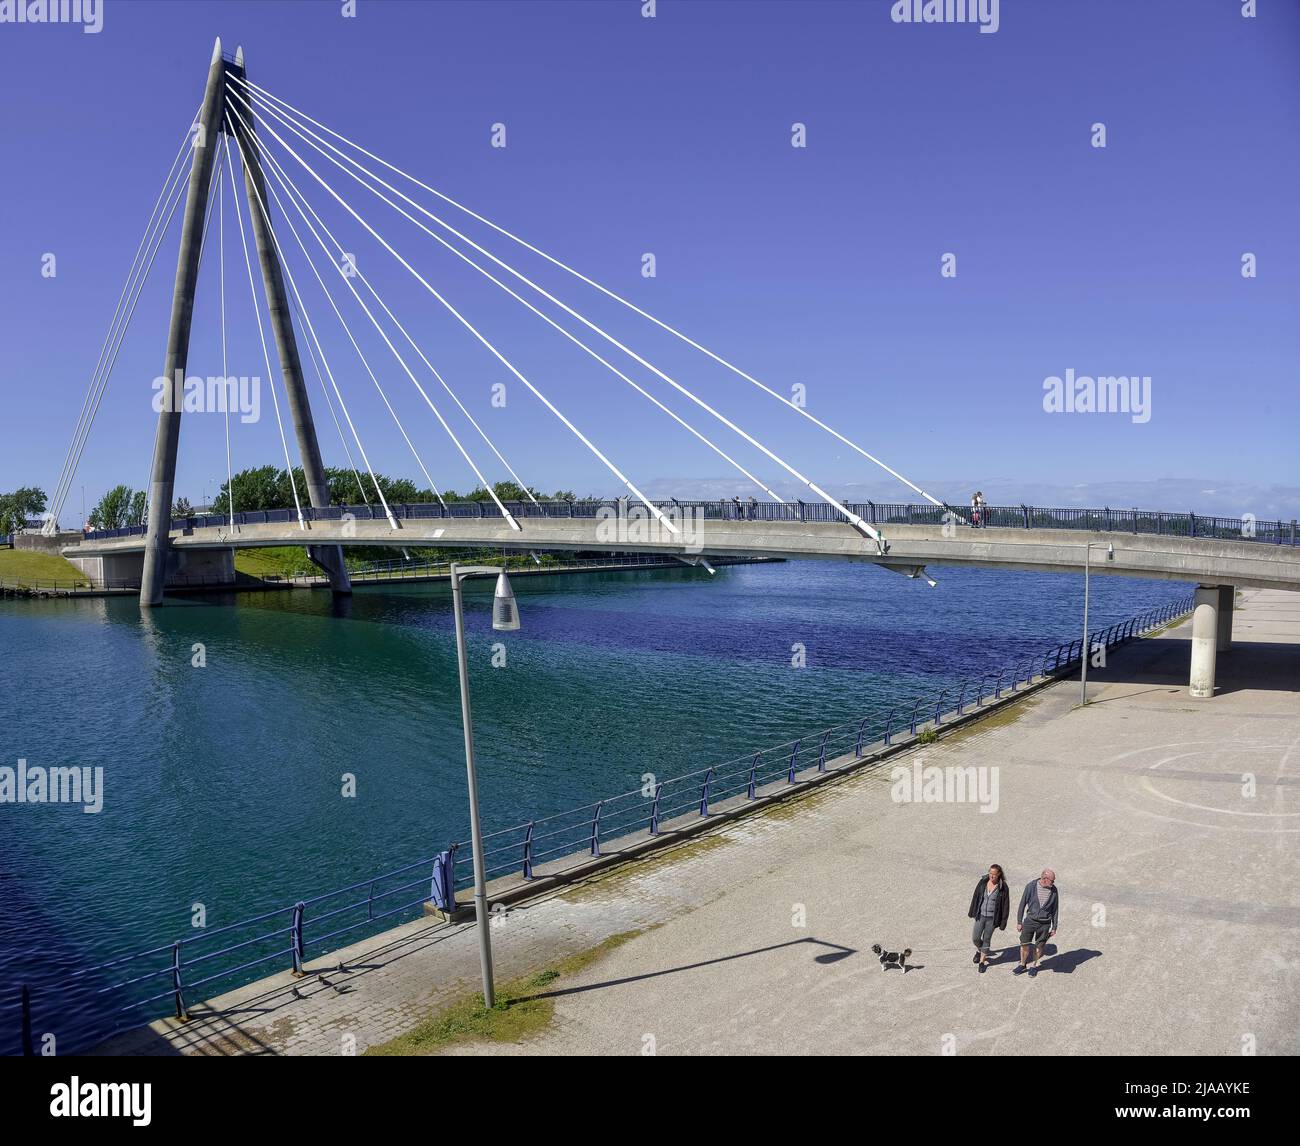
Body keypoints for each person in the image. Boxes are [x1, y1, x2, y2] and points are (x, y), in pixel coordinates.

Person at [1014, 868, 1059, 976]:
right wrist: (1019, 921)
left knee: (1039, 946)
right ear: (1045, 878)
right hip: (1030, 921)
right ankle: (1022, 964)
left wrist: (1054, 927)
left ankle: (1034, 966)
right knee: (1024, 944)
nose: (1053, 883)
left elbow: (1055, 909)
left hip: (1044, 924)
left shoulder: (1054, 890)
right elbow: (1022, 904)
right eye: (1052, 881)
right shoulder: (1031, 886)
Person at [967, 863, 1009, 973]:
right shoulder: (983, 882)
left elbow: (1005, 906)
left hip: (992, 919)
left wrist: (1003, 922)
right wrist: (972, 911)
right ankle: (980, 950)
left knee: (986, 939)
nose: (991, 876)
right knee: (975, 938)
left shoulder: (1003, 887)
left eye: (994, 874)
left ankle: (982, 961)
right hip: (980, 915)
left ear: (999, 874)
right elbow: (976, 896)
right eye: (990, 873)